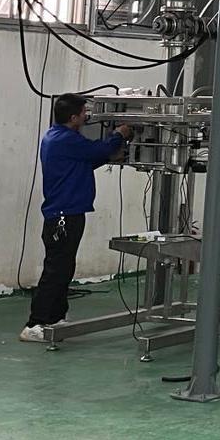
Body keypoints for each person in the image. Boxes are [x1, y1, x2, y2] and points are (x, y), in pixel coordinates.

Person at [19, 93, 132, 343]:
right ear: (73, 117)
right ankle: (35, 323)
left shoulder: (57, 137)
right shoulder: (66, 139)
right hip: (63, 216)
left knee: (64, 268)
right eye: (83, 112)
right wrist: (119, 134)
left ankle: (56, 317)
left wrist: (108, 157)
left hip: (69, 213)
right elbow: (99, 149)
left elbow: (84, 161)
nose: (86, 116)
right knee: (55, 270)